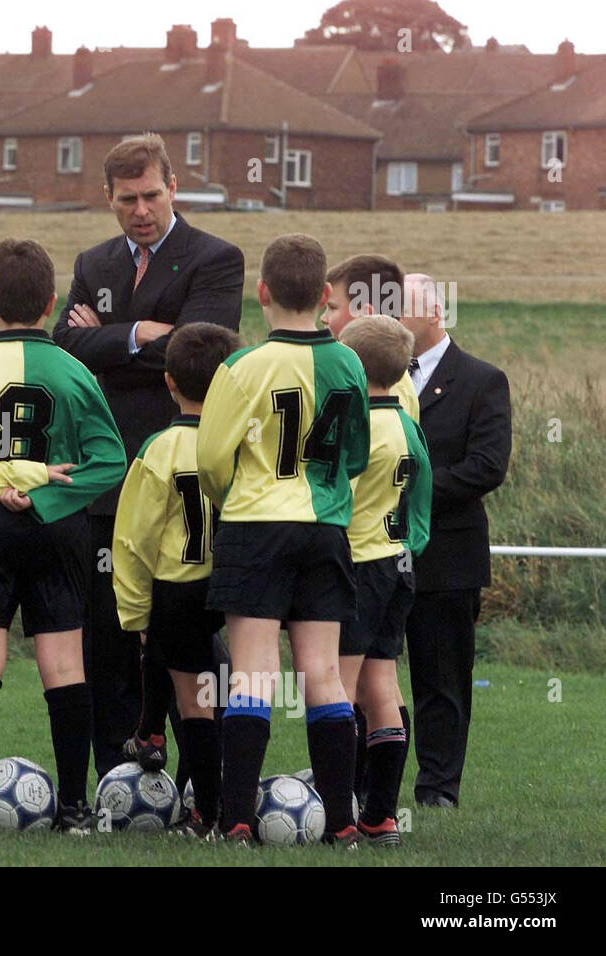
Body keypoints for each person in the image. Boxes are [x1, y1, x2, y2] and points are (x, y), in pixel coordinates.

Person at [53, 132, 244, 777]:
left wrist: (106, 339)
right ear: (108, 198)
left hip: (187, 476)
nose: (141, 209)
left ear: (174, 190)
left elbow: (203, 353)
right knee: (108, 632)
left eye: (152, 195)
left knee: (184, 632)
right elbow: (63, 348)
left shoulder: (216, 258)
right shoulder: (94, 261)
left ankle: (200, 779)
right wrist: (141, 334)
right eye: (128, 198)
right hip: (106, 475)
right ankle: (117, 772)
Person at [0, 237, 127, 834]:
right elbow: (109, 460)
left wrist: (8, 481)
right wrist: (42, 490)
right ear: (50, 304)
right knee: (64, 662)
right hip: (59, 526)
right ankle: (73, 810)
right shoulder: (75, 370)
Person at [197, 233, 370, 847]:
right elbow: (356, 456)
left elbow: (211, 460)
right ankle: (344, 824)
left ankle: (237, 820)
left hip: (255, 525)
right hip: (325, 528)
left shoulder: (242, 366)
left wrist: (237, 497)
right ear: (325, 295)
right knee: (324, 673)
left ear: (261, 292)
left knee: (252, 674)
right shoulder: (350, 362)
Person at [111, 322, 242, 837]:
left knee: (197, 706)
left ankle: (207, 815)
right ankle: (153, 737)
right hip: (231, 582)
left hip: (180, 587)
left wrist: (136, 614)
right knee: (228, 688)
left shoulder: (159, 450)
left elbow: (133, 541)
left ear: (168, 382)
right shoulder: (239, 447)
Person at [399, 273, 511, 808]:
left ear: (435, 313)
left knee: (441, 679)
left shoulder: (483, 380)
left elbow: (486, 468)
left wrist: (405, 491)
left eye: (401, 308)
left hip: (447, 559)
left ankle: (438, 789)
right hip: (377, 553)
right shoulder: (376, 375)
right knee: (364, 672)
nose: (391, 318)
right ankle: (360, 782)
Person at [335, 316, 433, 845]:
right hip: (398, 563)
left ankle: (342, 810)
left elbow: (335, 496)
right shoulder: (406, 424)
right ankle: (382, 815)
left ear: (351, 366)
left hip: (359, 564)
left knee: (339, 690)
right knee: (382, 687)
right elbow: (422, 493)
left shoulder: (358, 428)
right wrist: (412, 543)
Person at [322, 254, 418, 420]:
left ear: (366, 315)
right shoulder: (366, 374)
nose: (323, 318)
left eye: (332, 307)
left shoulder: (386, 388)